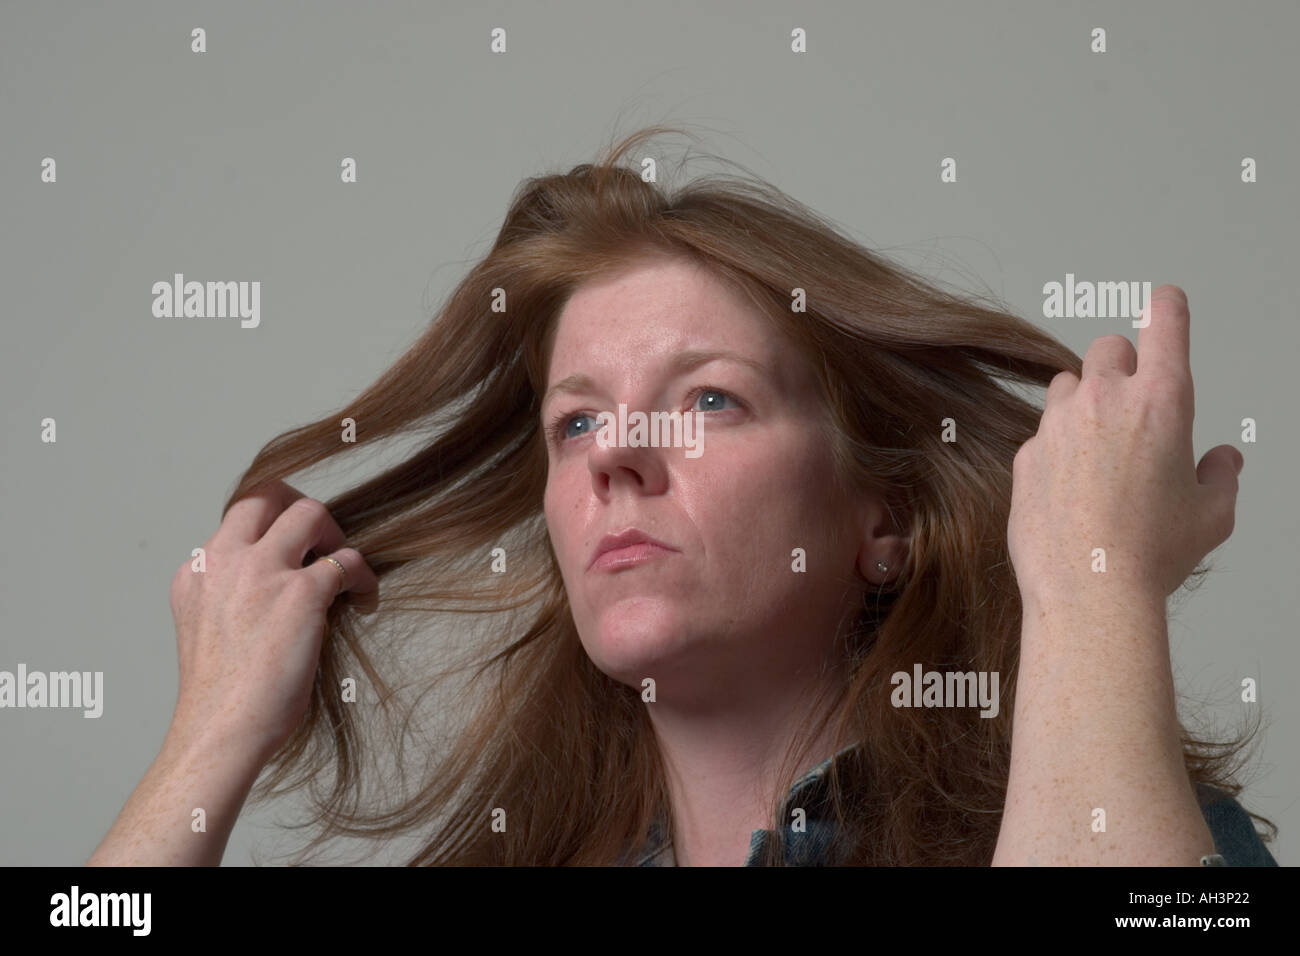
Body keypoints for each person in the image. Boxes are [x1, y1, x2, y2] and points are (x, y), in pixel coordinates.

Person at [88, 125, 1278, 867]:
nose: (615, 456)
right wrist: (208, 743)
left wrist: (1090, 585)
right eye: (575, 421)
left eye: (707, 400)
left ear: (883, 520)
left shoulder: (1157, 837)